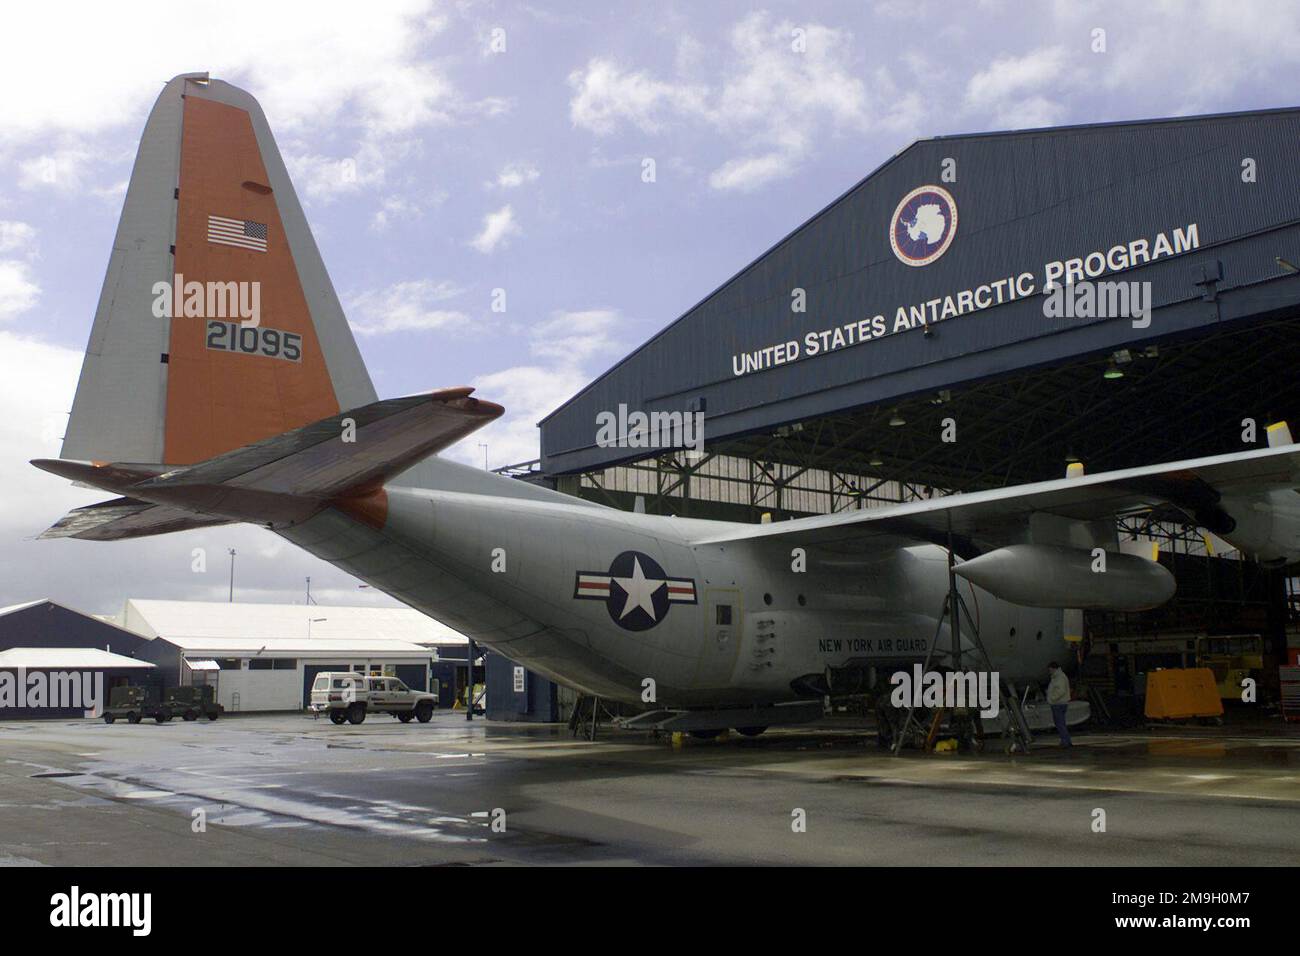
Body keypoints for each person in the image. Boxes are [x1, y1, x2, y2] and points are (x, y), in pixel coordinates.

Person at [1046, 662, 1072, 748]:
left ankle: (1065, 741)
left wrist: (1052, 698)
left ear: (1053, 669)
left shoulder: (1059, 678)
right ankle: (1065, 740)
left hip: (1058, 704)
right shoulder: (1058, 677)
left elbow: (1061, 691)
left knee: (1060, 723)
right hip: (1059, 703)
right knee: (1060, 723)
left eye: (1050, 669)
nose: (1049, 671)